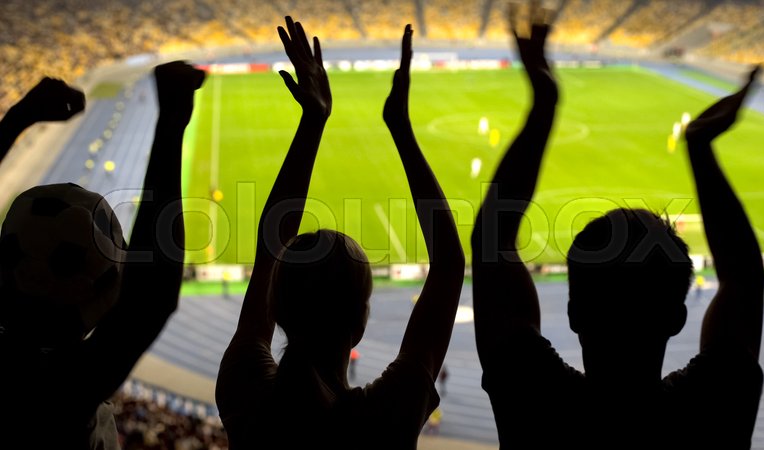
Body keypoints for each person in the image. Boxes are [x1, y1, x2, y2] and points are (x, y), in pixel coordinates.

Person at [471, 3, 764, 448]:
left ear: (572, 314)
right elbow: (744, 281)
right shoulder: (714, 407)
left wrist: (545, 106)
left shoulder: (533, 398)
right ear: (677, 318)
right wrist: (700, 146)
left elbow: (490, 242)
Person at [216, 20, 464, 449]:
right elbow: (451, 266)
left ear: (277, 303)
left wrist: (313, 122)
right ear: (360, 325)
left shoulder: (246, 389)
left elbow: (447, 266)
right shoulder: (384, 419)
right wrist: (401, 128)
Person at [0, 62, 204, 448]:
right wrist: (172, 122)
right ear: (103, 292)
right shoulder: (61, 391)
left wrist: (17, 118)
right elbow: (151, 301)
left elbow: (151, 300)